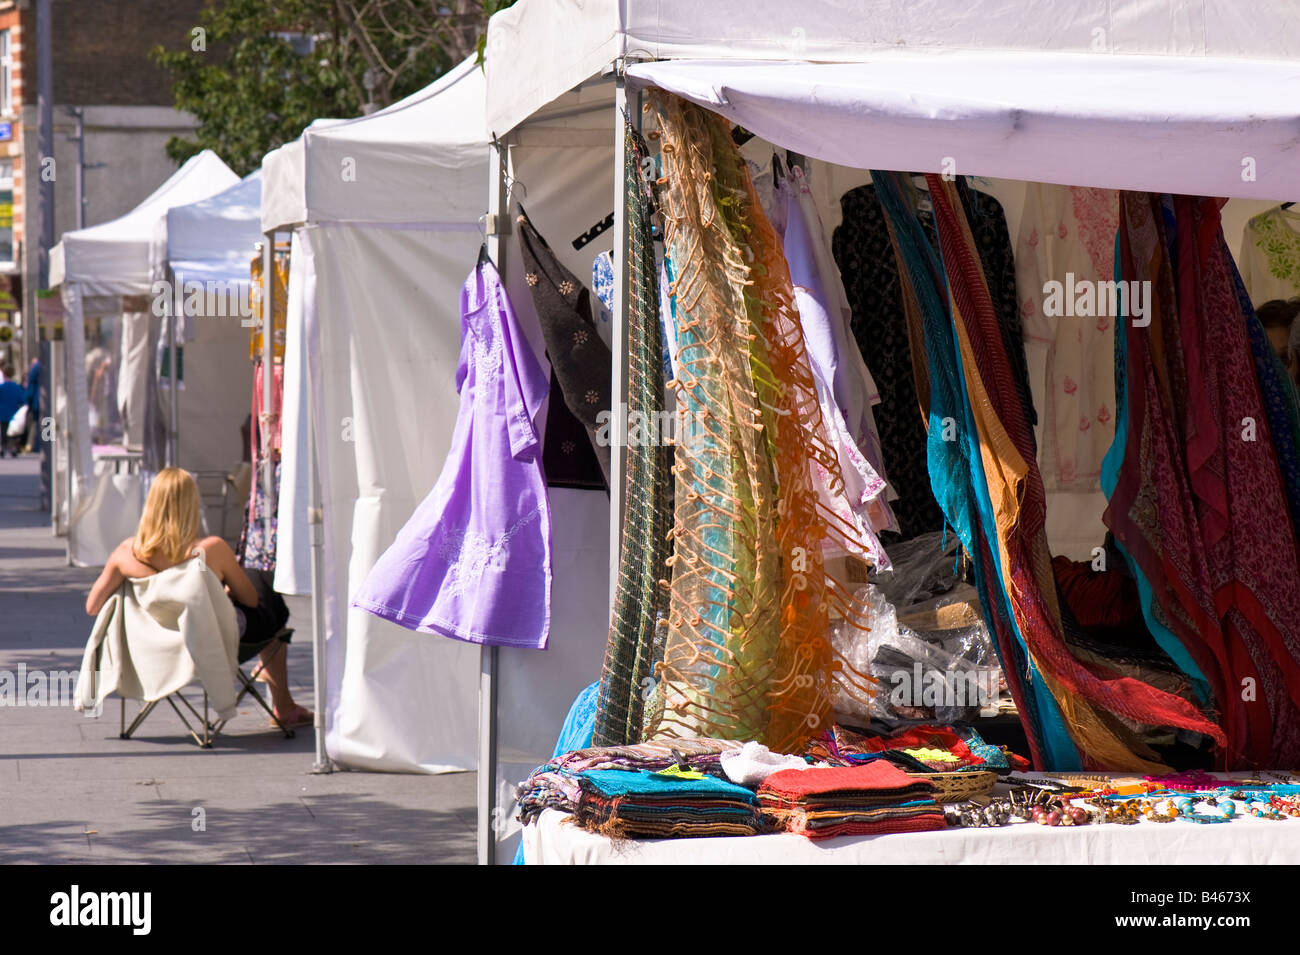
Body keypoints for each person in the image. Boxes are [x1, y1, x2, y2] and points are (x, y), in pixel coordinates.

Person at [85, 467, 312, 728]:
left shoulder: (125, 553)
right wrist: (219, 593)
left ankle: (283, 703)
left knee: (255, 591)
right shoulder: (210, 550)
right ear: (191, 505)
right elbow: (250, 601)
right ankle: (283, 704)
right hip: (207, 640)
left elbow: (92, 607)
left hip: (152, 643)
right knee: (263, 589)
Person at [0, 363, 26, 457]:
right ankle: (13, 448)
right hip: (13, 412)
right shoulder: (16, 387)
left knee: (3, 431)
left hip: (2, 413)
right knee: (13, 432)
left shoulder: (1, 387)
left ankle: (2, 447)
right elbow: (22, 400)